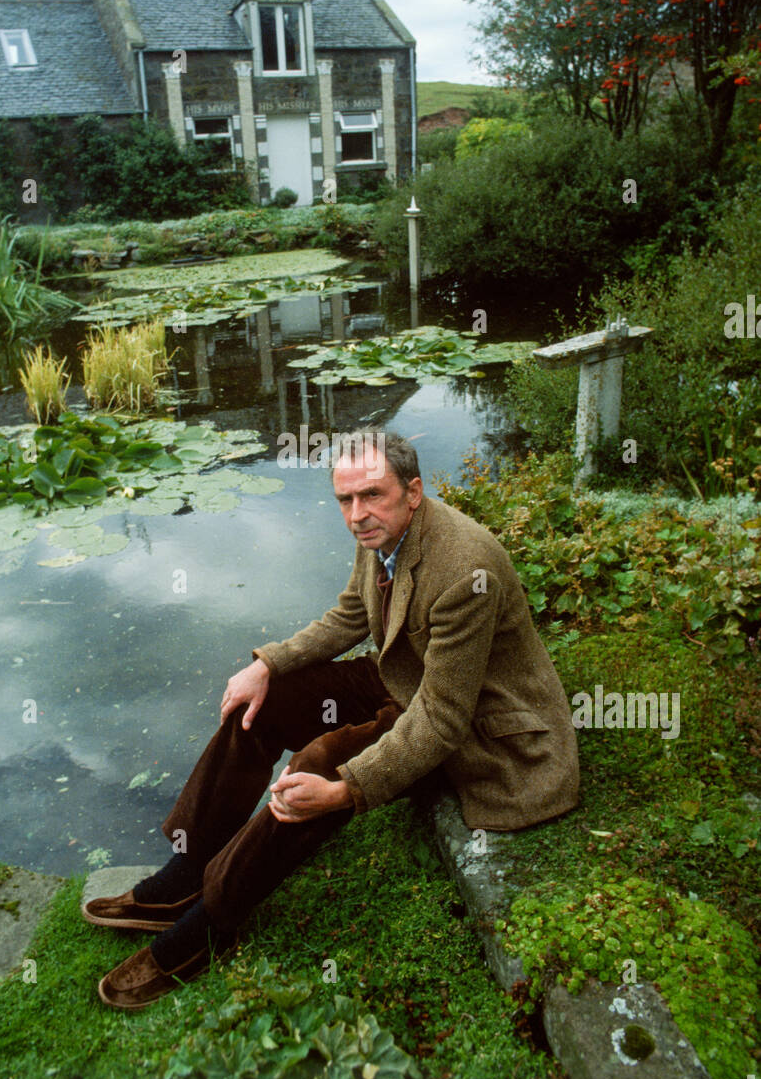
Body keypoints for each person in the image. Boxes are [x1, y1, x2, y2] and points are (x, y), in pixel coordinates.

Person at [85, 430, 579, 1009]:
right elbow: (350, 615)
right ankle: (189, 868)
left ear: (413, 492)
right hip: (409, 679)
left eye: (371, 495)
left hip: (479, 727)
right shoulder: (381, 532)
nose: (356, 513)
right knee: (264, 702)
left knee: (317, 768)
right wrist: (269, 664)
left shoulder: (466, 568)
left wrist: (345, 790)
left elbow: (443, 719)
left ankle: (209, 924)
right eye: (345, 499)